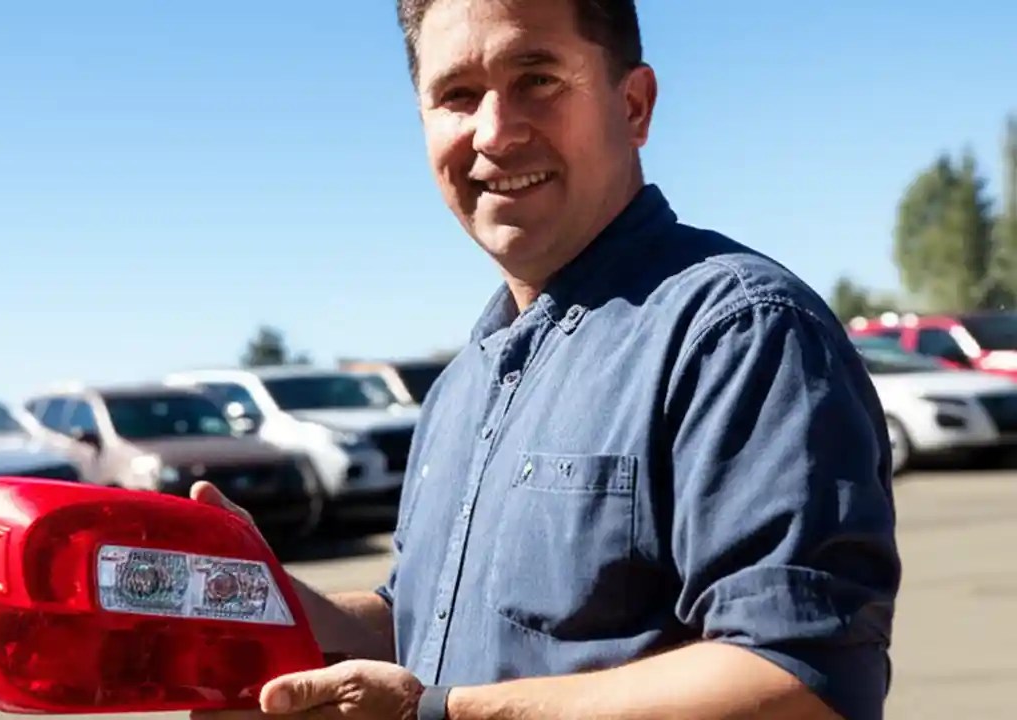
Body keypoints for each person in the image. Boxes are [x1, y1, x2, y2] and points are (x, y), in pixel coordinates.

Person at [191, 0, 901, 718]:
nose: (495, 133)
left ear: (633, 106)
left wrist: (440, 713)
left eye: (537, 79)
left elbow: (798, 685)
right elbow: (422, 623)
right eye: (457, 96)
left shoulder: (738, 334)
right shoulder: (463, 385)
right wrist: (264, 602)